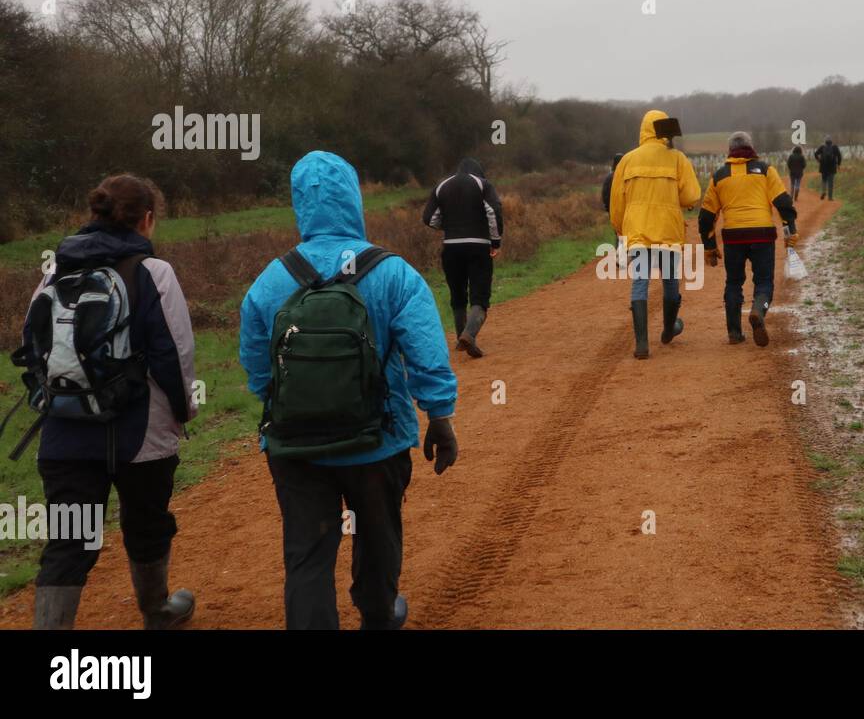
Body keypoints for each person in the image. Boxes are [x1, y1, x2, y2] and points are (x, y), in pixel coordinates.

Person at [240, 150, 458, 630]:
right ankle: (378, 614)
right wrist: (439, 417)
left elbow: (257, 367)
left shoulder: (272, 278)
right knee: (378, 537)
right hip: (376, 441)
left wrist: (293, 403)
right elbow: (426, 354)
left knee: (307, 554)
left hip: (295, 448)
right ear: (354, 199)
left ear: (300, 203)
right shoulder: (393, 272)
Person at [11, 174, 198, 630]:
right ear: (147, 220)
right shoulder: (155, 273)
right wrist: (183, 412)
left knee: (69, 542)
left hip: (65, 432)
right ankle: (157, 612)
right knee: (147, 525)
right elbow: (174, 355)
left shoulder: (56, 270)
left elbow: (32, 347)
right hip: (141, 435)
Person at [609, 110, 701, 359]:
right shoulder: (677, 158)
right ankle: (669, 330)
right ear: (664, 130)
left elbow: (616, 201)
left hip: (638, 232)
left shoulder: (628, 160)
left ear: (643, 130)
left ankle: (641, 344)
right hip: (668, 232)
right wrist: (679, 201)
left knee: (640, 281)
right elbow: (692, 196)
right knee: (670, 282)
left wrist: (620, 228)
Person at [699, 132, 799, 346]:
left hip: (733, 237)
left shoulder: (719, 176)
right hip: (762, 235)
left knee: (733, 282)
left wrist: (709, 245)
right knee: (764, 281)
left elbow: (706, 216)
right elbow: (783, 203)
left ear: (730, 151)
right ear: (751, 147)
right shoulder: (765, 170)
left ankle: (734, 333)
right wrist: (790, 230)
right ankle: (758, 312)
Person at [421, 157, 503, 358]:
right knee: (480, 296)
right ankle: (469, 334)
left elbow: (429, 218)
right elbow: (493, 211)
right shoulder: (482, 184)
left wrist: (450, 227)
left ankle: (461, 338)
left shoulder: (442, 185)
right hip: (478, 246)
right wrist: (495, 241)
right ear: (478, 172)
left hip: (451, 248)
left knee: (457, 296)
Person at [814, 136, 843, 200]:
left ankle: (824, 191)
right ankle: (830, 197)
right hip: (832, 168)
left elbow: (815, 154)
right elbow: (839, 156)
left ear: (825, 142)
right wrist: (838, 164)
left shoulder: (822, 147)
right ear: (831, 142)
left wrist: (819, 160)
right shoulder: (835, 147)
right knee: (831, 182)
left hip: (823, 167)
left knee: (824, 180)